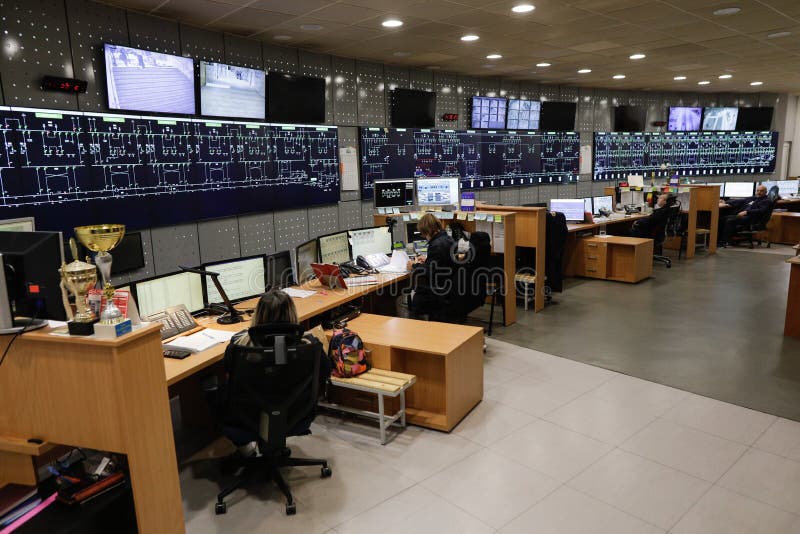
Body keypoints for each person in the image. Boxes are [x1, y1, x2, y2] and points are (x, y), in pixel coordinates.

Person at [224, 289, 331, 456]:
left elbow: (229, 372)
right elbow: (325, 372)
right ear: (292, 313)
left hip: (247, 416)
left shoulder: (240, 344)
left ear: (258, 314)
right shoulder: (309, 344)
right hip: (295, 414)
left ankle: (244, 447)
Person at [408, 213, 456, 321]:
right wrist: (427, 260)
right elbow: (439, 263)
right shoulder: (448, 239)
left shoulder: (436, 245)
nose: (424, 237)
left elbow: (428, 272)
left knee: (403, 300)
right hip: (448, 286)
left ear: (428, 231)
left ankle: (414, 328)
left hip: (437, 292)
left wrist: (414, 265)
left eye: (423, 234)